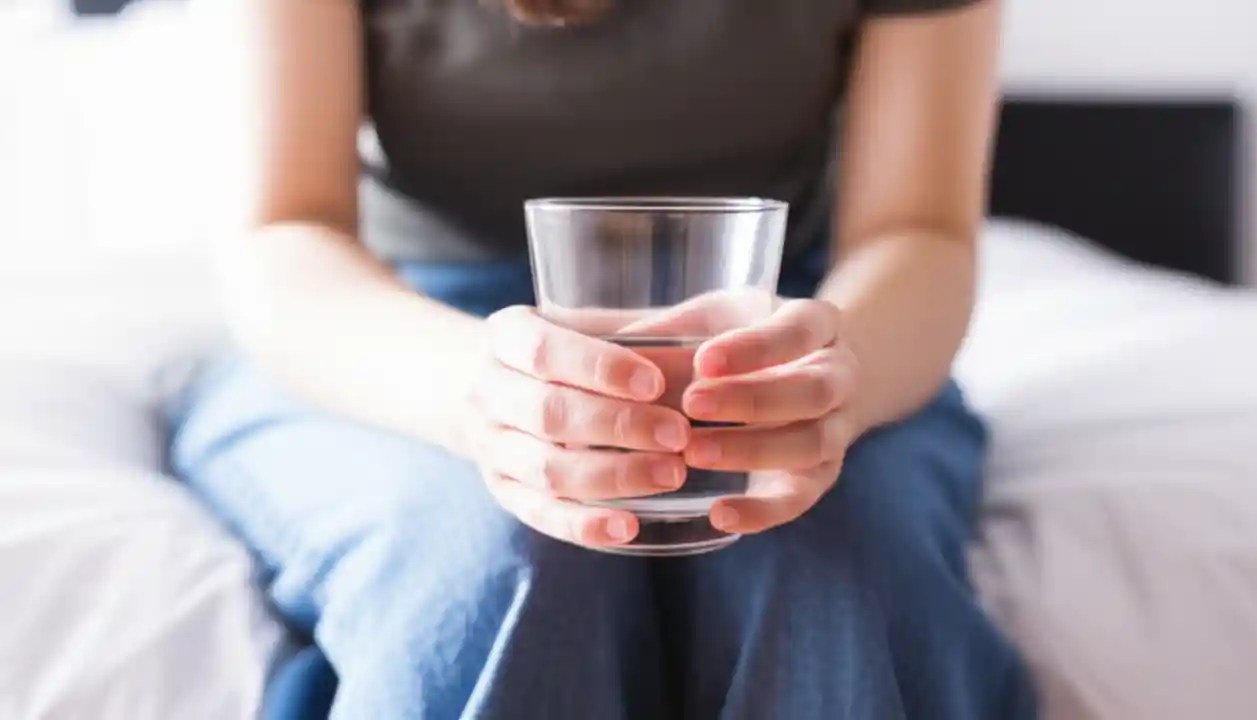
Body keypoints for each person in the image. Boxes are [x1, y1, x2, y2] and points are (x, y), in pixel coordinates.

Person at [169, 0, 1035, 717]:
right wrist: (478, 393)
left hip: (794, 324)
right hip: (396, 327)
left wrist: (830, 376)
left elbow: (916, 228)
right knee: (498, 567)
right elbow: (285, 232)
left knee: (831, 583)